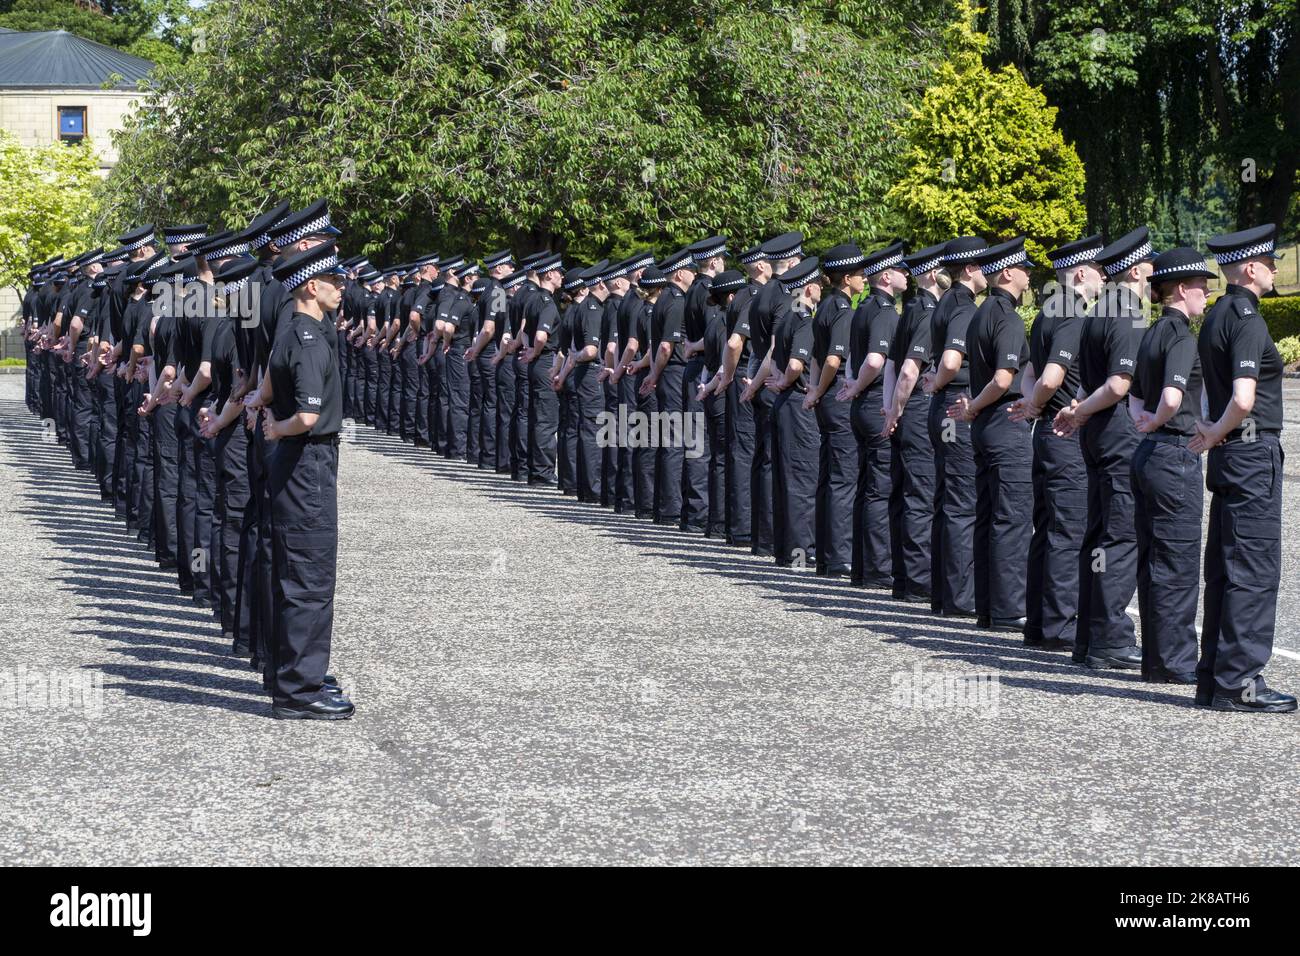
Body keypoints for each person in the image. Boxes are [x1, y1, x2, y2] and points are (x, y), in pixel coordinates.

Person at [1192, 225, 1295, 713]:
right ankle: (1240, 682)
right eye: (1271, 263)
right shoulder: (1248, 318)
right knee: (1253, 568)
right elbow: (1244, 397)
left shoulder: (1216, 315)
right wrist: (1215, 431)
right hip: (1251, 453)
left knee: (1226, 565)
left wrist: (1215, 432)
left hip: (1232, 455)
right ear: (1250, 267)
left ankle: (1214, 676)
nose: (1276, 269)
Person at [1054, 226, 1154, 670]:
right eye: (1150, 268)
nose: (1154, 277)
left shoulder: (1096, 312)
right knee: (1120, 536)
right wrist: (1080, 412)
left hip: (1098, 435)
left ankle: (1089, 636)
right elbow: (1117, 384)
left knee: (1097, 534)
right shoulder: (1129, 312)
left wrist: (1080, 410)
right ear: (1134, 270)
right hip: (1116, 434)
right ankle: (1111, 637)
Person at [263, 241, 352, 720]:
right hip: (307, 464)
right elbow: (307, 414)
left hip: (298, 466)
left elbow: (269, 385)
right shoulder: (310, 337)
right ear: (312, 286)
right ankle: (299, 691)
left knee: (297, 575)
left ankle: (298, 677)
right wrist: (277, 426)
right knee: (310, 581)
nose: (342, 288)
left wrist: (262, 406)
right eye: (335, 282)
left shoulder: (293, 329)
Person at [1009, 234, 1103, 651]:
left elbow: (1031, 372)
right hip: (1066, 432)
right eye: (1100, 271)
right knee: (1068, 532)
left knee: (1045, 530)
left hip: (1046, 429)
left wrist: (1032, 405)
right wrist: (1041, 402)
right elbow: (1050, 376)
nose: (1104, 278)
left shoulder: (1048, 311)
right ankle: (1060, 627)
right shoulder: (1071, 311)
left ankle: (1039, 624)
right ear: (1081, 272)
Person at [1127, 247, 1214, 684]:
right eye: (1201, 286)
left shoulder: (1151, 333)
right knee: (1177, 563)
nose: (1206, 294)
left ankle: (1157, 660)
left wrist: (1143, 424)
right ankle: (1177, 662)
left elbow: (1134, 395)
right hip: (1175, 455)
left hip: (1148, 454)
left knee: (1154, 559)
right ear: (1181, 289)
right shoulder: (1181, 336)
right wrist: (1161, 419)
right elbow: (1173, 397)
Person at [950, 237, 1034, 632]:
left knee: (988, 516)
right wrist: (975, 406)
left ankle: (987, 606)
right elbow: (1003, 378)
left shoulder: (981, 314)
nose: (1030, 276)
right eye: (1025, 269)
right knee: (1012, 519)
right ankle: (1008, 608)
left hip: (987, 426)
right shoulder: (1007, 317)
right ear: (1007, 272)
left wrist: (974, 409)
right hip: (1003, 421)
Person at [924, 236, 986, 618]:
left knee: (947, 502)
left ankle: (944, 595)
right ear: (968, 269)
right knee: (963, 504)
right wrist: (939, 381)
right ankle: (961, 599)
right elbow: (950, 359)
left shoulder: (946, 301)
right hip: (956, 405)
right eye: (983, 265)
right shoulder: (962, 306)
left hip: (942, 408)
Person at [882, 243, 946, 603]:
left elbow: (891, 365)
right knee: (921, 496)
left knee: (903, 495)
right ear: (935, 274)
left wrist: (890, 407)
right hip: (919, 410)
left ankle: (903, 579)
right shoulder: (927, 313)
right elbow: (908, 370)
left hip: (905, 411)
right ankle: (920, 583)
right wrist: (897, 409)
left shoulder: (909, 311)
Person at [842, 241, 906, 589]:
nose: (907, 276)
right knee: (880, 489)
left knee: (866, 487)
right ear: (886, 276)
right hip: (873, 402)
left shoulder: (863, 308)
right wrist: (855, 386)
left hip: (861, 402)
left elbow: (854, 359)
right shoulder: (884, 312)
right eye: (901, 270)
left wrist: (852, 384)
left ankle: (862, 568)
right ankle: (878, 570)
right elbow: (874, 360)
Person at [806, 243, 864, 578]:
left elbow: (815, 357)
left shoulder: (825, 306)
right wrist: (823, 387)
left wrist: (814, 389)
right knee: (843, 479)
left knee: (828, 477)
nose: (864, 280)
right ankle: (840, 555)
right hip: (839, 394)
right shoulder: (842, 309)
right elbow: (831, 359)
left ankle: (827, 555)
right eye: (859, 275)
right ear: (846, 278)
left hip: (826, 397)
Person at [766, 256, 822, 568]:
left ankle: (786, 550)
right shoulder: (803, 318)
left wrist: (778, 380)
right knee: (802, 479)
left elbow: (774, 357)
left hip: (784, 402)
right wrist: (788, 380)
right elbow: (796, 364)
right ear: (810, 288)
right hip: (798, 402)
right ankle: (803, 552)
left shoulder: (787, 317)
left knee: (786, 479)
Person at [717, 244, 768, 547]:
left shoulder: (743, 296)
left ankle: (740, 527)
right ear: (761, 266)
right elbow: (735, 343)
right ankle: (745, 529)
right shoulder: (754, 298)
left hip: (745, 378)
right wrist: (730, 374)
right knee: (748, 452)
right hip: (749, 380)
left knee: (742, 451)